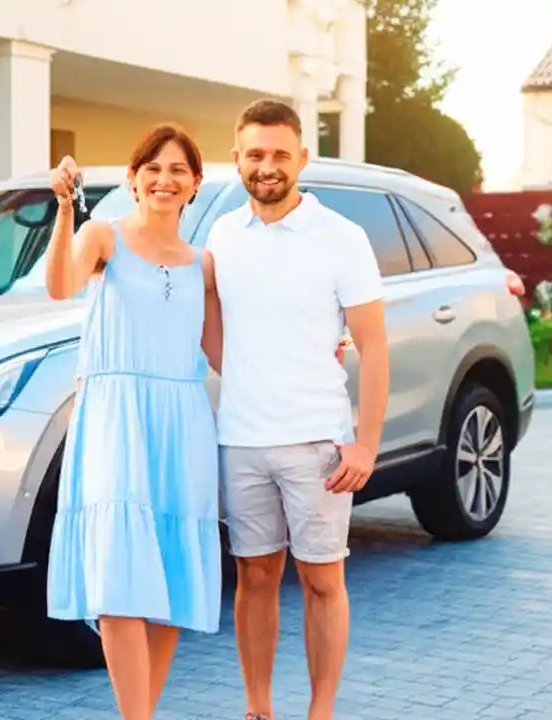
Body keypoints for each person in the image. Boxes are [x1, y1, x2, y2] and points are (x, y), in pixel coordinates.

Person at [202, 99, 389, 720]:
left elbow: (373, 344)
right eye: (255, 154)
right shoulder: (224, 235)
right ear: (237, 160)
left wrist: (364, 444)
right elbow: (211, 323)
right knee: (254, 578)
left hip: (318, 444)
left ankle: (321, 711)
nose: (267, 166)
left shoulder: (342, 238)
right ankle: (258, 710)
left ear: (303, 158)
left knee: (321, 580)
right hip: (243, 440)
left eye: (281, 154)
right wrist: (252, 376)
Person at [43, 123, 222, 720]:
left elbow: (227, 356)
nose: (164, 180)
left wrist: (319, 346)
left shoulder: (205, 265)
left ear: (195, 184)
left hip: (183, 421)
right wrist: (64, 208)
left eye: (178, 171)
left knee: (169, 581)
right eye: (153, 168)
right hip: (116, 420)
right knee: (119, 582)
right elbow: (60, 286)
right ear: (133, 178)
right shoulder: (103, 236)